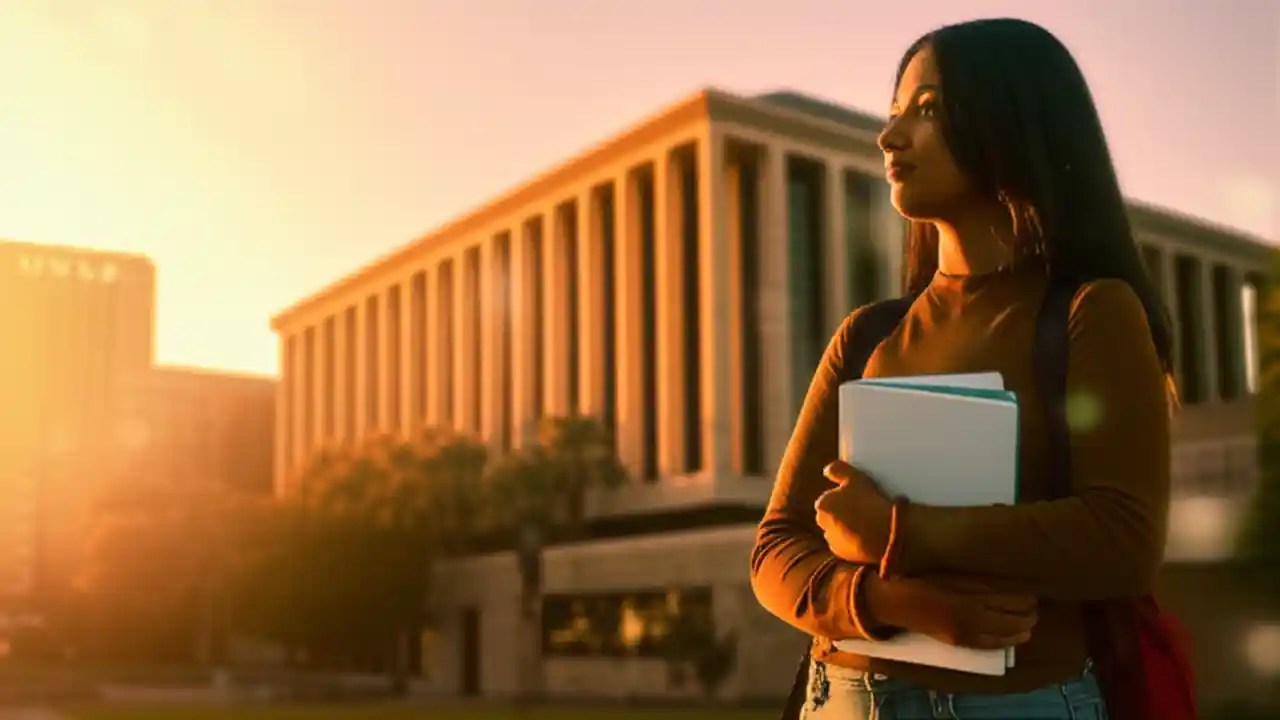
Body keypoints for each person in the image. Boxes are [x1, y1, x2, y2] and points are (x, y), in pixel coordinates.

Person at [750, 17, 1175, 720]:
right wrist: (885, 599)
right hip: (841, 700)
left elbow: (1122, 540)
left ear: (1013, 120)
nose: (890, 139)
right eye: (894, 114)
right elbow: (775, 550)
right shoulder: (867, 334)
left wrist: (898, 533)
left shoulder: (1089, 312)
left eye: (928, 111)